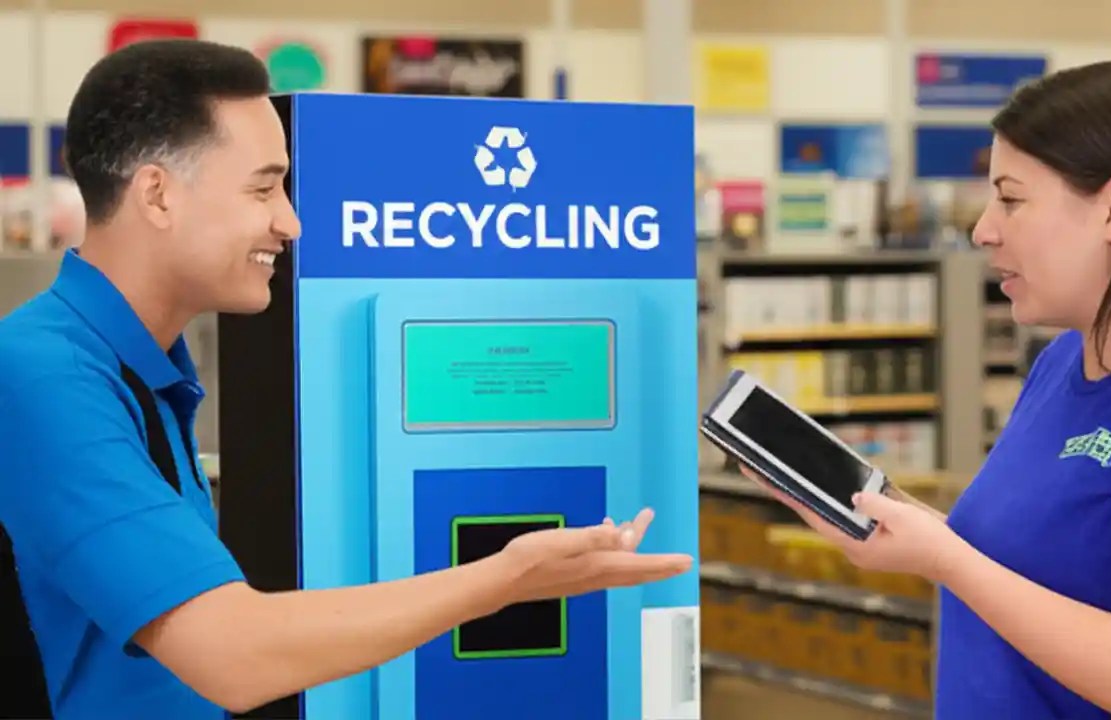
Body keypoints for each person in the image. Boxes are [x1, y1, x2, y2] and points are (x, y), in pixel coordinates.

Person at [0, 39, 692, 718]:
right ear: (156, 194)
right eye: (264, 187)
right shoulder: (44, 376)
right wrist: (507, 579)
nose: (291, 222)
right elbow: (232, 654)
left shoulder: (138, 375)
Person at [744, 60, 1111, 720]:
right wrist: (912, 532)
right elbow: (1029, 566)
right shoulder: (1061, 364)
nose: (983, 229)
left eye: (1012, 198)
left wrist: (946, 559)